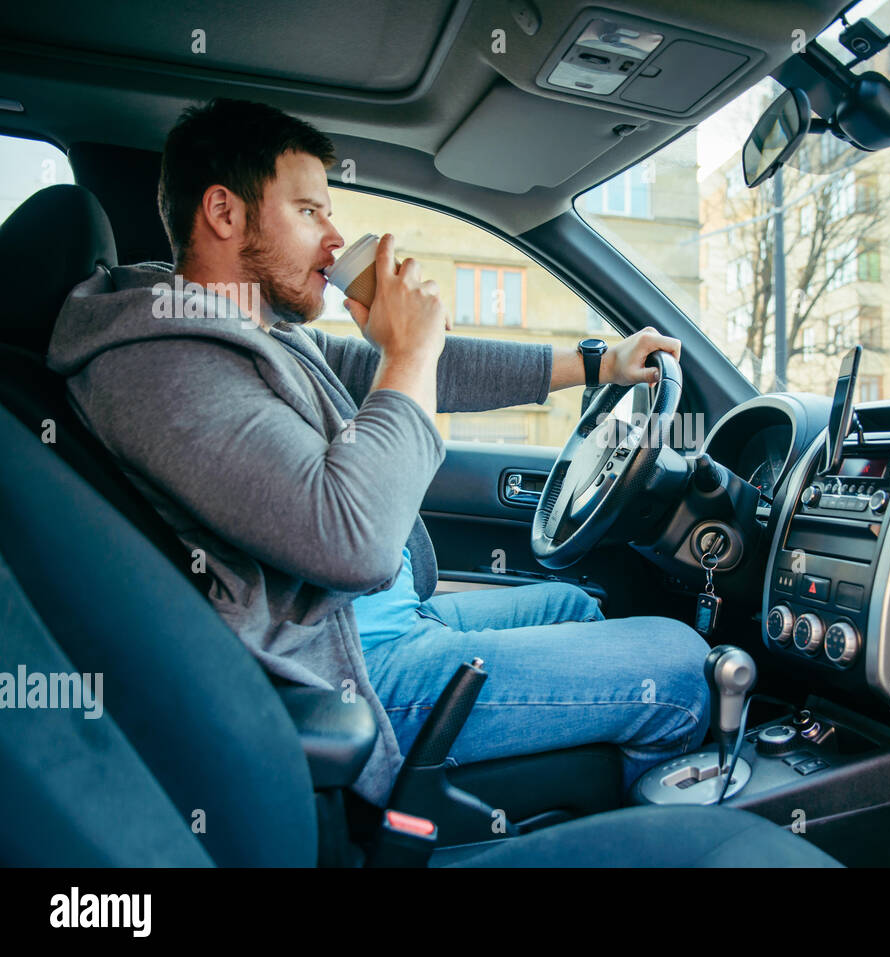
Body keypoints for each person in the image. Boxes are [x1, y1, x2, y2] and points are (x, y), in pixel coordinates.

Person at [46, 98, 710, 805]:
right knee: (682, 664)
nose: (335, 239)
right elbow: (352, 540)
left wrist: (598, 361)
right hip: (342, 670)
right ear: (223, 212)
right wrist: (409, 349)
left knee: (577, 608)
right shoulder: (163, 366)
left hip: (374, 620)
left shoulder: (252, 332)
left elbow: (425, 372)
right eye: (309, 211)